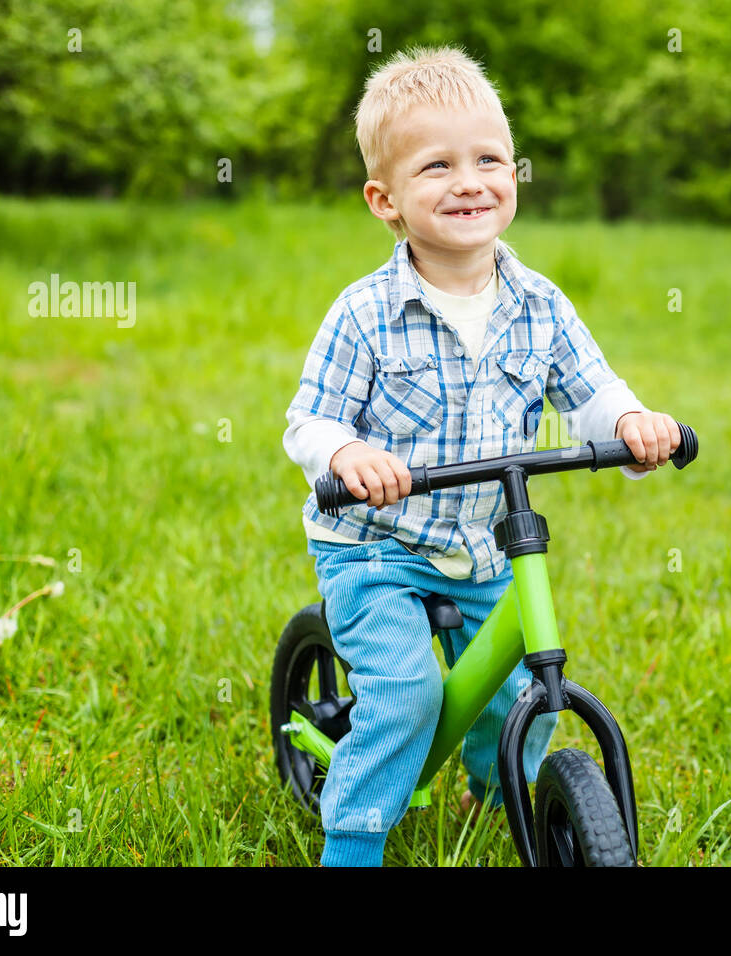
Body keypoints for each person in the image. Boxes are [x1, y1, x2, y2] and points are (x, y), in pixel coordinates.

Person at [282, 44, 680, 867]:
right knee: (405, 699)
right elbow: (308, 420)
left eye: (489, 159)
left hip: (482, 543)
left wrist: (635, 422)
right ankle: (353, 842)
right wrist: (350, 453)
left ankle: (497, 794)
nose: (470, 181)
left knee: (512, 697)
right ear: (383, 200)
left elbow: (592, 389)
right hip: (377, 549)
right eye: (437, 166)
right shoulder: (364, 314)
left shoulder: (540, 304)